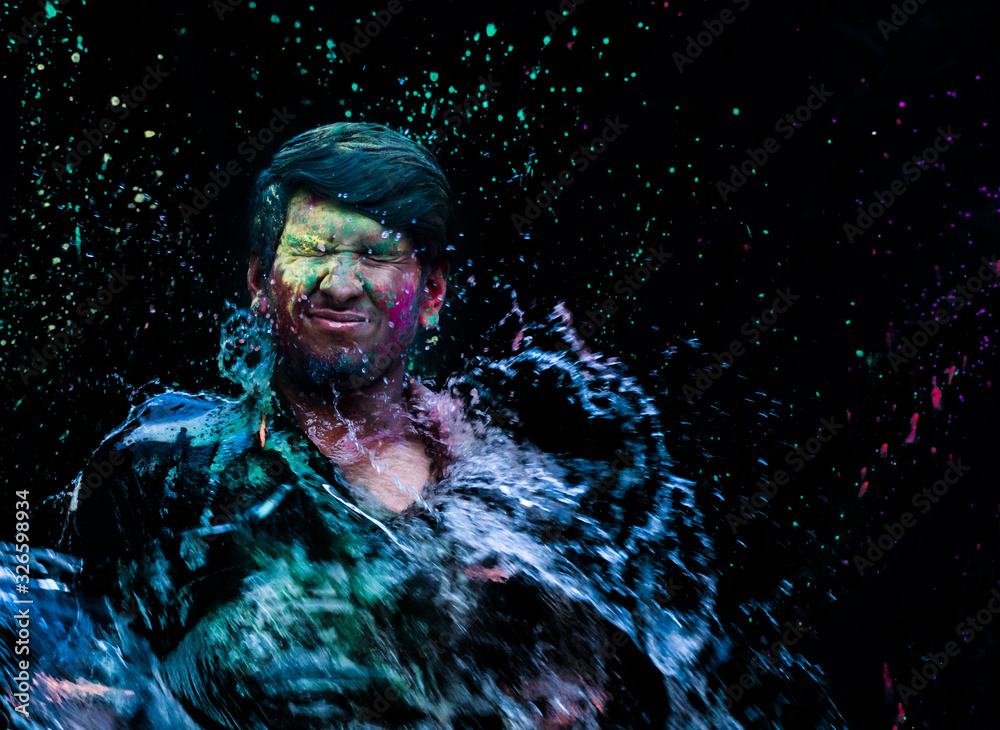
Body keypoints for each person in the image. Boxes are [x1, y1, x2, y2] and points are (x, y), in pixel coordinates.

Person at [49, 122, 731, 729]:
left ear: (431, 292)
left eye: (374, 255)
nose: (341, 284)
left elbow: (594, 691)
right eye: (312, 250)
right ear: (260, 281)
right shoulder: (161, 471)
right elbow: (37, 656)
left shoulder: (520, 499)